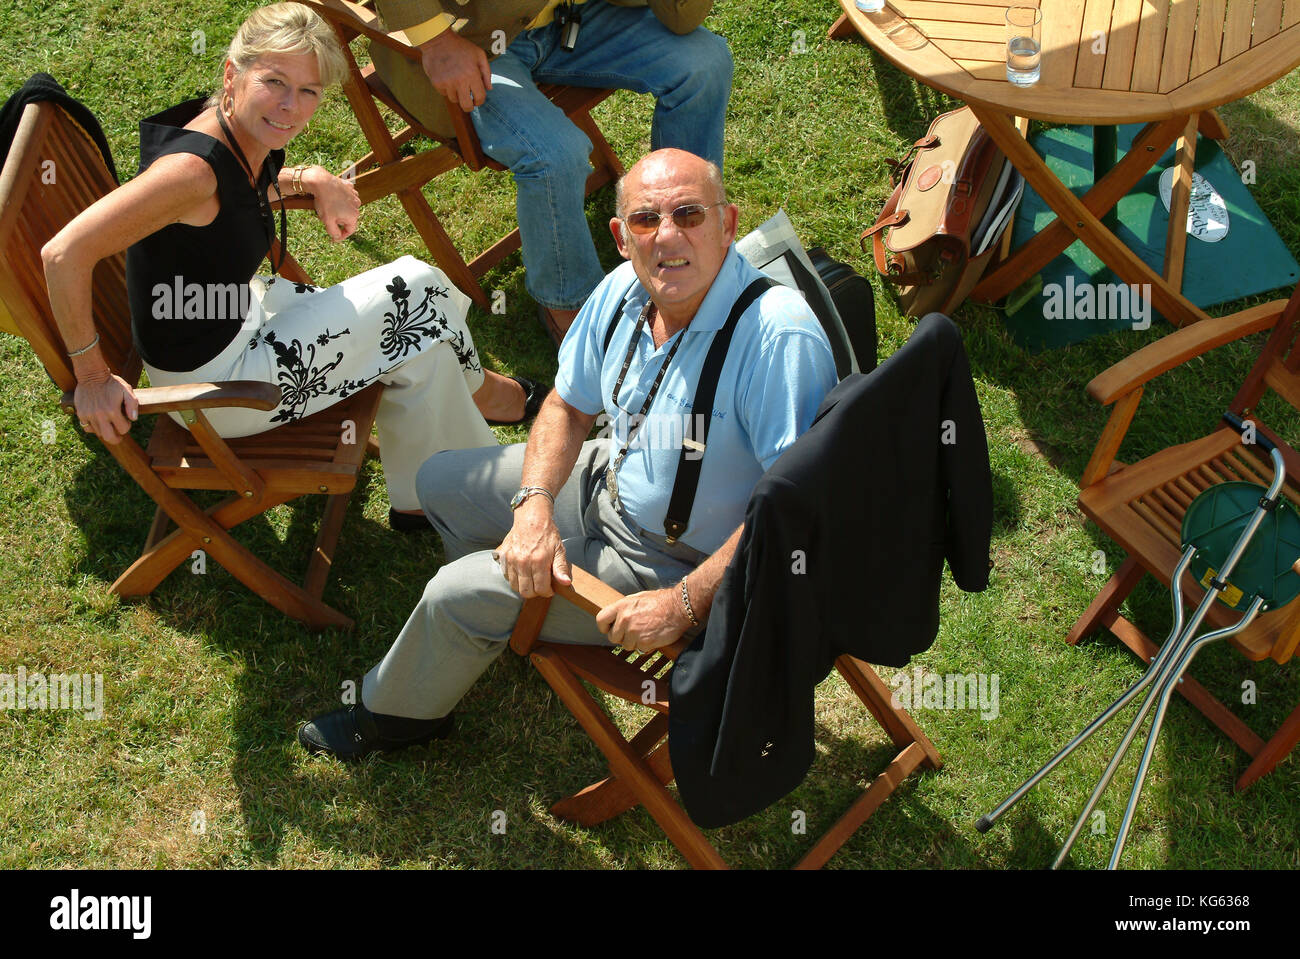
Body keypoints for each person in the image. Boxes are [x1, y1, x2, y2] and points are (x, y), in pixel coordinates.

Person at [298, 147, 839, 759]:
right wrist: (533, 509)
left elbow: (796, 509)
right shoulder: (624, 290)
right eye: (645, 220)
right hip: (604, 479)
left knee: (455, 593)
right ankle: (503, 619)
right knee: (440, 480)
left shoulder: (776, 337)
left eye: (689, 214)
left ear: (729, 223)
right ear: (620, 235)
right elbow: (566, 406)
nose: (667, 237)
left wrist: (683, 604)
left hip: (671, 563)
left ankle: (395, 718)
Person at [40, 3, 543, 530]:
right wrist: (93, 376)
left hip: (240, 315)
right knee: (416, 289)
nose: (290, 107)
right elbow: (62, 253)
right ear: (233, 75)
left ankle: (427, 499)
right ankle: (486, 393)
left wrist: (310, 178)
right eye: (275, 82)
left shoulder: (236, 132)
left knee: (420, 339)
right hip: (219, 391)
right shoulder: (189, 173)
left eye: (309, 91)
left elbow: (237, 195)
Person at [368, 0, 731, 342]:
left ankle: (689, 232)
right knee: (553, 156)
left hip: (573, 18)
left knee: (704, 63)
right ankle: (570, 305)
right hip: (470, 40)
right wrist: (436, 40)